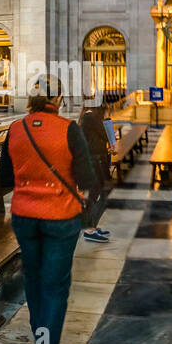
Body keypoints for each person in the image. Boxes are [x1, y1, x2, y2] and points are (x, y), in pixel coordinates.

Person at [0, 87, 106, 344]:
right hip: (60, 216)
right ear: (56, 101)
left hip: (24, 217)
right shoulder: (69, 128)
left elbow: (5, 177)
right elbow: (86, 179)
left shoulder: (15, 128)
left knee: (33, 280)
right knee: (55, 286)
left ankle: (40, 338)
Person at [75, 103, 118, 244]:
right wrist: (107, 120)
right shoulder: (90, 117)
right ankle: (89, 228)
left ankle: (91, 227)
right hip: (95, 162)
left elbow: (93, 142)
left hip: (96, 159)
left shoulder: (87, 117)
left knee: (96, 194)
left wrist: (106, 151)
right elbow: (105, 135)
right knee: (102, 194)